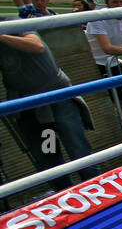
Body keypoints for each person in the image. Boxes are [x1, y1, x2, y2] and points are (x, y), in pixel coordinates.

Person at [0, 26, 98, 189]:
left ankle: (95, 186)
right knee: (49, 152)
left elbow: (37, 46)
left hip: (56, 98)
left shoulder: (11, 23)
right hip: (29, 105)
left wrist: (2, 37)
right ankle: (63, 192)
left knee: (77, 146)